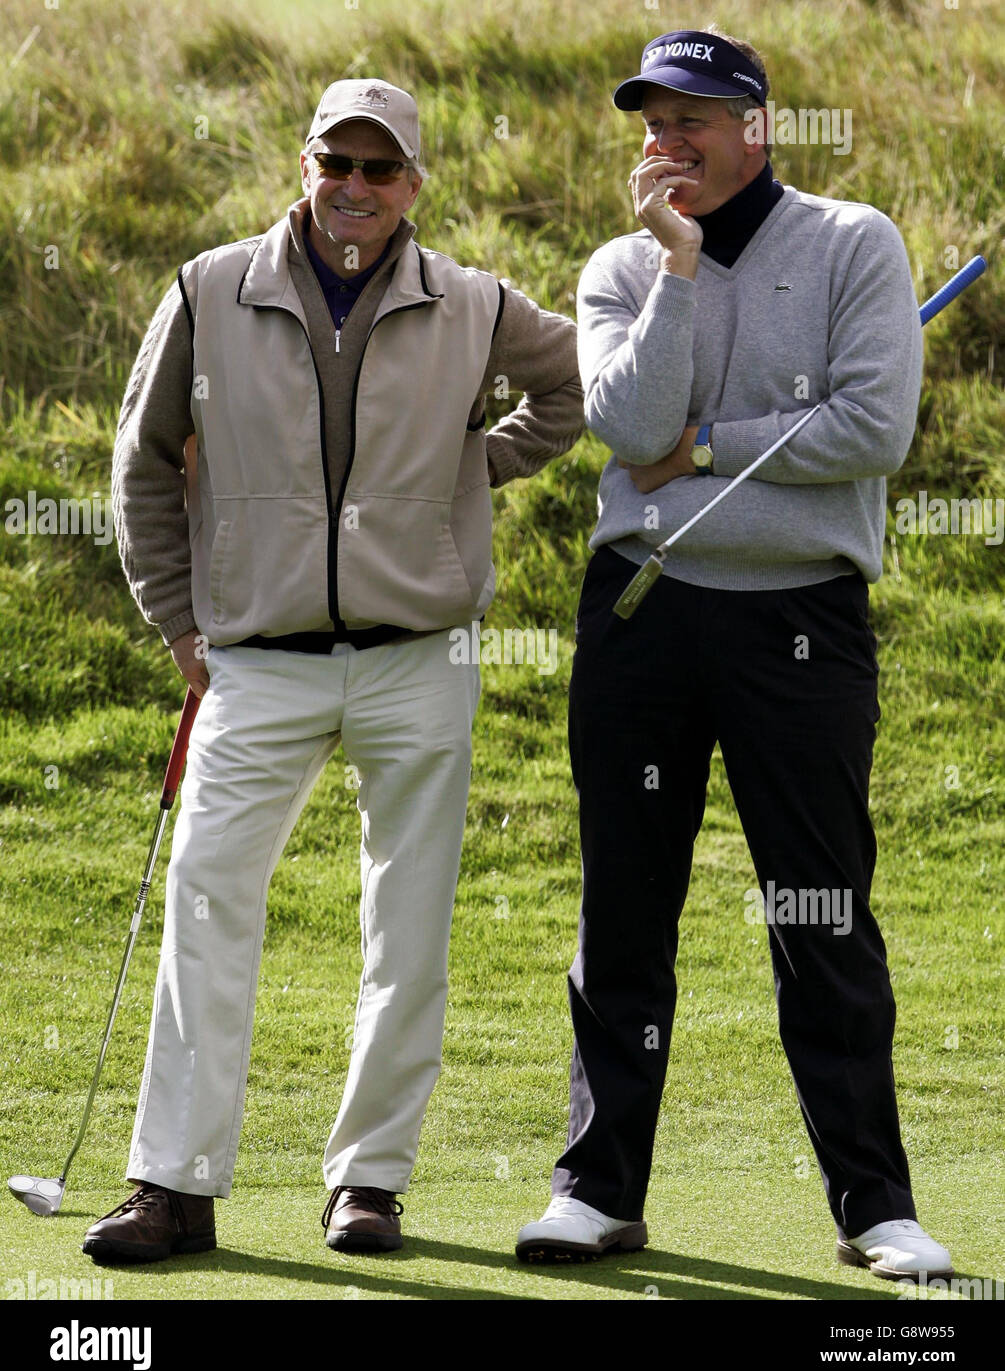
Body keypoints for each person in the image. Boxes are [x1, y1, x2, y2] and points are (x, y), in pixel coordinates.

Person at [84, 78, 582, 1263]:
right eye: (334, 164)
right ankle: (174, 1185)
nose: (354, 188)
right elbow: (142, 463)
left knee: (404, 930)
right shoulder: (210, 289)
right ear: (304, 170)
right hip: (256, 662)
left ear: (415, 184)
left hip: (418, 661)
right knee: (207, 904)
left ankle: (369, 1183)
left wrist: (480, 467)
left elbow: (571, 386)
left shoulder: (472, 301)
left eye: (380, 168)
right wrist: (180, 623)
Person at [516, 29, 954, 1281]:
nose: (669, 139)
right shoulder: (622, 264)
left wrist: (706, 451)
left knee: (820, 911)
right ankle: (596, 1191)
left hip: (799, 623)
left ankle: (876, 1205)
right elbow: (627, 420)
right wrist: (677, 268)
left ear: (758, 124)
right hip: (643, 614)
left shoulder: (855, 241)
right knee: (625, 908)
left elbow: (873, 423)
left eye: (695, 115)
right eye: (653, 119)